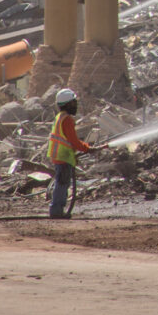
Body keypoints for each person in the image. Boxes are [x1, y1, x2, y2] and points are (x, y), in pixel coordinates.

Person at [47, 88, 94, 219]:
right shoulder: (67, 120)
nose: (76, 105)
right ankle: (56, 210)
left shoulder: (59, 117)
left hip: (60, 156)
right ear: (67, 104)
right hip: (63, 157)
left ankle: (57, 209)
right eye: (74, 103)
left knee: (62, 183)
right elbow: (73, 141)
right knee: (62, 184)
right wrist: (86, 148)